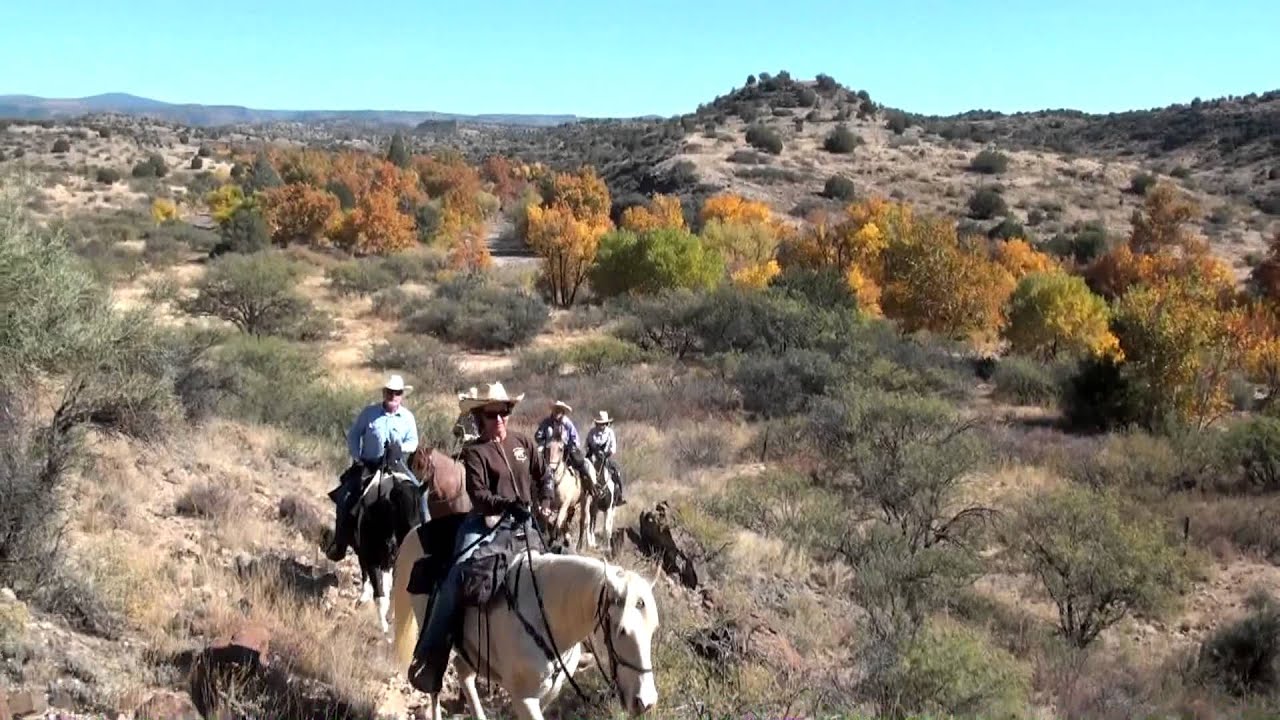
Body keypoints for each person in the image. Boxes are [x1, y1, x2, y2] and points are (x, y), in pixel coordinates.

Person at [407, 381, 551, 695]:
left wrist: (547, 496)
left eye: (503, 412)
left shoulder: (523, 444)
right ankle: (431, 655)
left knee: (559, 564)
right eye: (490, 414)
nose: (498, 418)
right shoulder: (475, 453)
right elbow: (480, 496)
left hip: (524, 522)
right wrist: (508, 504)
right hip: (484, 523)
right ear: (479, 418)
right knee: (457, 572)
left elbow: (543, 474)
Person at [326, 374, 419, 562]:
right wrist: (357, 456)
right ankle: (340, 542)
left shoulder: (408, 417)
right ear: (384, 393)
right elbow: (354, 435)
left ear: (402, 395)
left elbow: (414, 441)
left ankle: (423, 542)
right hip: (369, 465)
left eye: (397, 393)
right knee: (345, 496)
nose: (393, 396)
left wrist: (401, 448)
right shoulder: (369, 413)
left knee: (419, 494)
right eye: (390, 392)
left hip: (396, 465)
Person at [534, 400, 595, 493]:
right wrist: (544, 441)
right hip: (548, 447)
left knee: (580, 461)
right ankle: (532, 486)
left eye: (559, 410)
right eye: (556, 410)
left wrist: (570, 446)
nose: (557, 413)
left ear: (563, 412)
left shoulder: (567, 423)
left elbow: (575, 438)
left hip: (565, 448)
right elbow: (538, 435)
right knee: (535, 458)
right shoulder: (546, 422)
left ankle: (589, 485)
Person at [585, 410, 626, 506]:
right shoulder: (592, 432)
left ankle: (619, 496)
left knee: (616, 471)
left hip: (605, 457)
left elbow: (613, 448)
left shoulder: (610, 433)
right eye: (599, 424)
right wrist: (591, 451)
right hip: (592, 457)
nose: (601, 426)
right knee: (583, 470)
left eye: (603, 424)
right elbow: (586, 444)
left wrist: (606, 454)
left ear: (606, 423)